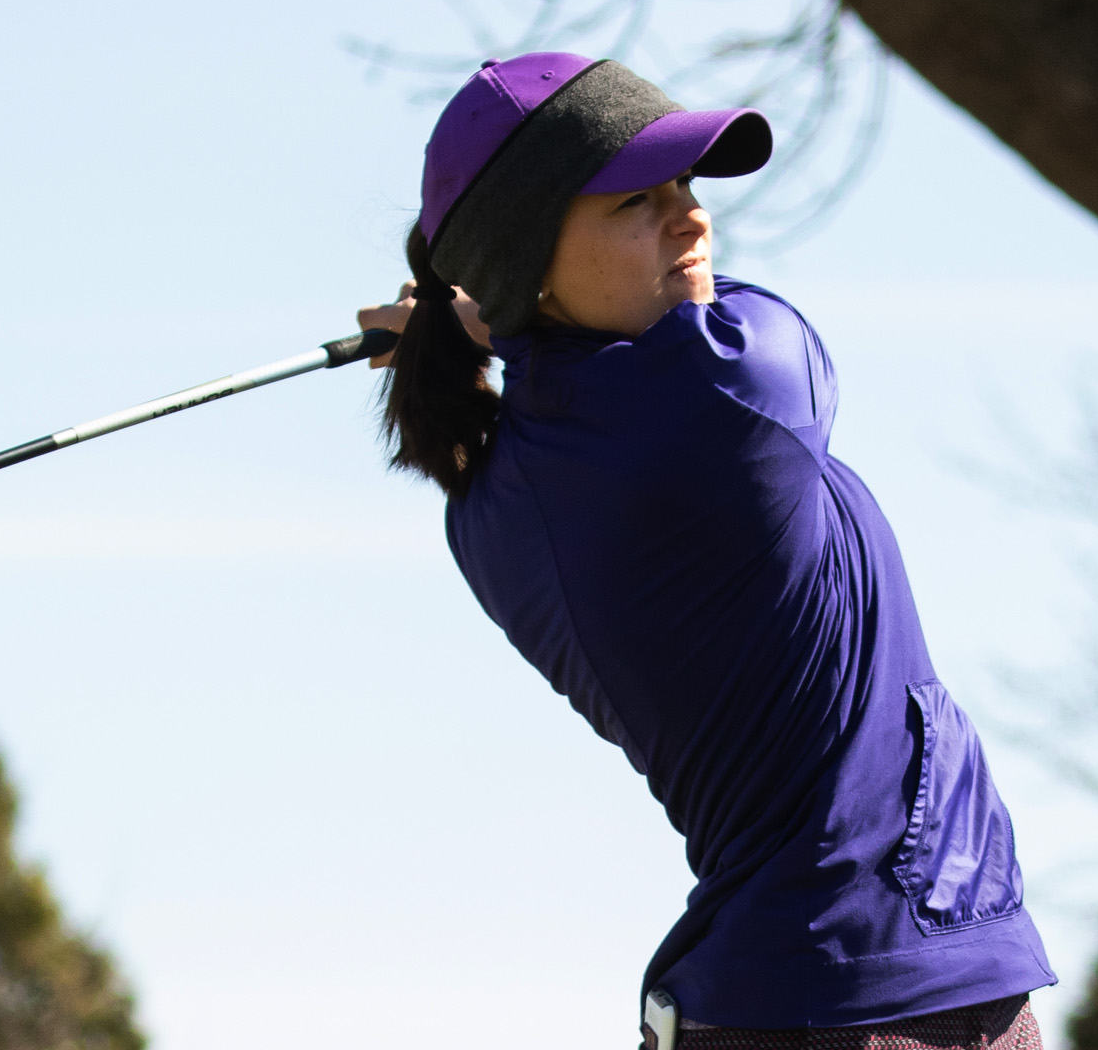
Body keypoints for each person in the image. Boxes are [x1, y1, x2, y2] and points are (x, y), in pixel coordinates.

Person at [356, 53, 1055, 1050]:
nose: (689, 218)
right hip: (875, 998)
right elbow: (764, 339)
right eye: (636, 201)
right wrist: (486, 328)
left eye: (685, 187)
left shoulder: (487, 506)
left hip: (797, 993)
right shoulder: (729, 394)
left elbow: (560, 386)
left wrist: (492, 330)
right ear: (522, 264)